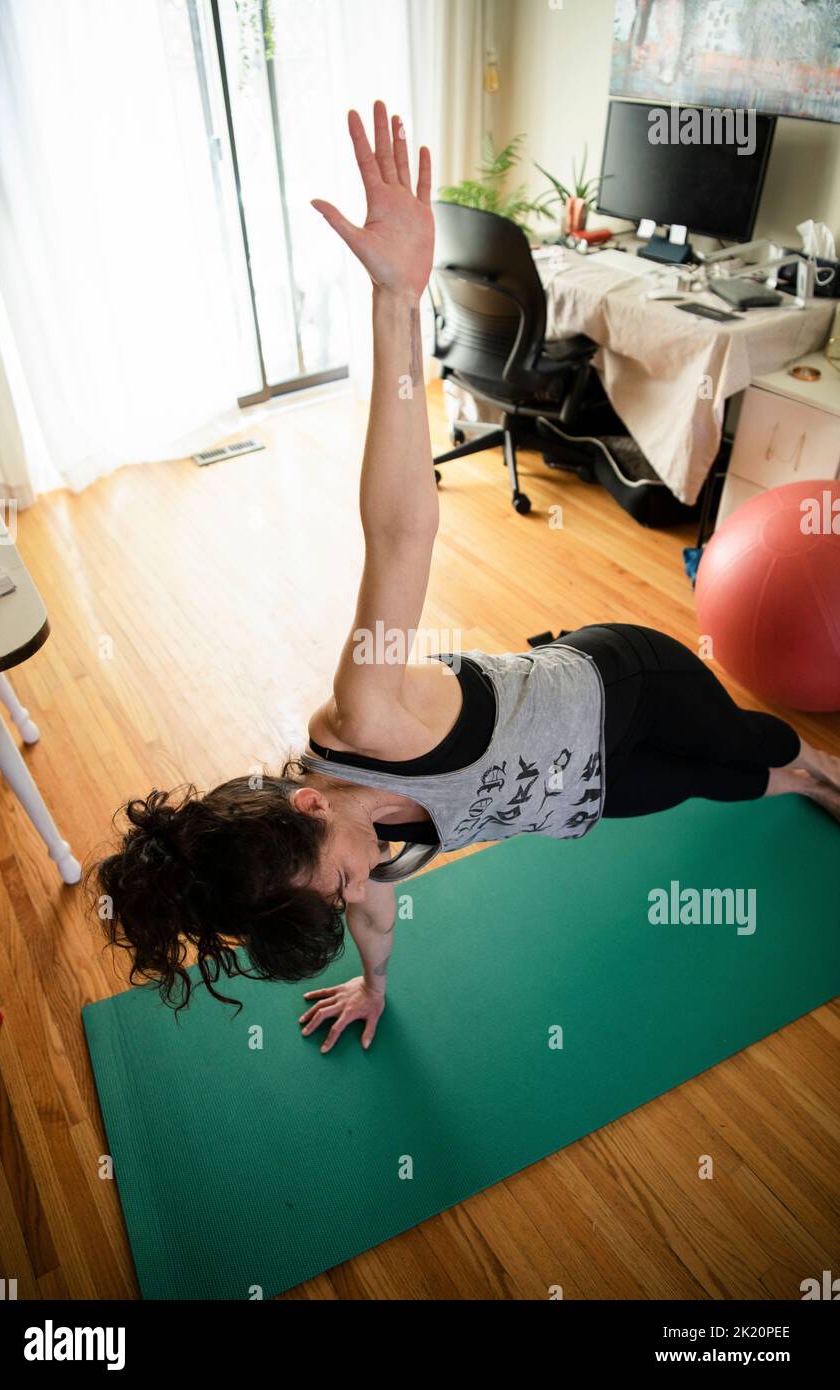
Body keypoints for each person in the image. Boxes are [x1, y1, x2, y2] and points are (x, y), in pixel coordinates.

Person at [86, 100, 840, 1053]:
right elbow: (369, 916)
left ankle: (822, 770)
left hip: (625, 684)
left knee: (748, 744)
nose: (365, 887)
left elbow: (400, 531)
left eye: (344, 878)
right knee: (722, 786)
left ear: (312, 802)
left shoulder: (367, 717)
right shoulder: (346, 864)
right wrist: (374, 989)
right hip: (586, 790)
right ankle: (805, 782)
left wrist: (396, 304)